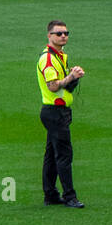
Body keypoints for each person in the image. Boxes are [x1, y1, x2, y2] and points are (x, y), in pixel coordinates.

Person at [38, 20, 85, 208]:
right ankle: (70, 196)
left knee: (51, 155)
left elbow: (62, 86)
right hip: (54, 113)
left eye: (66, 33)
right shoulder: (48, 59)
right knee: (64, 155)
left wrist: (73, 77)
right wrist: (71, 77)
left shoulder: (60, 56)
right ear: (49, 36)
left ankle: (50, 194)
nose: (63, 36)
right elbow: (53, 85)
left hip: (57, 112)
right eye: (59, 33)